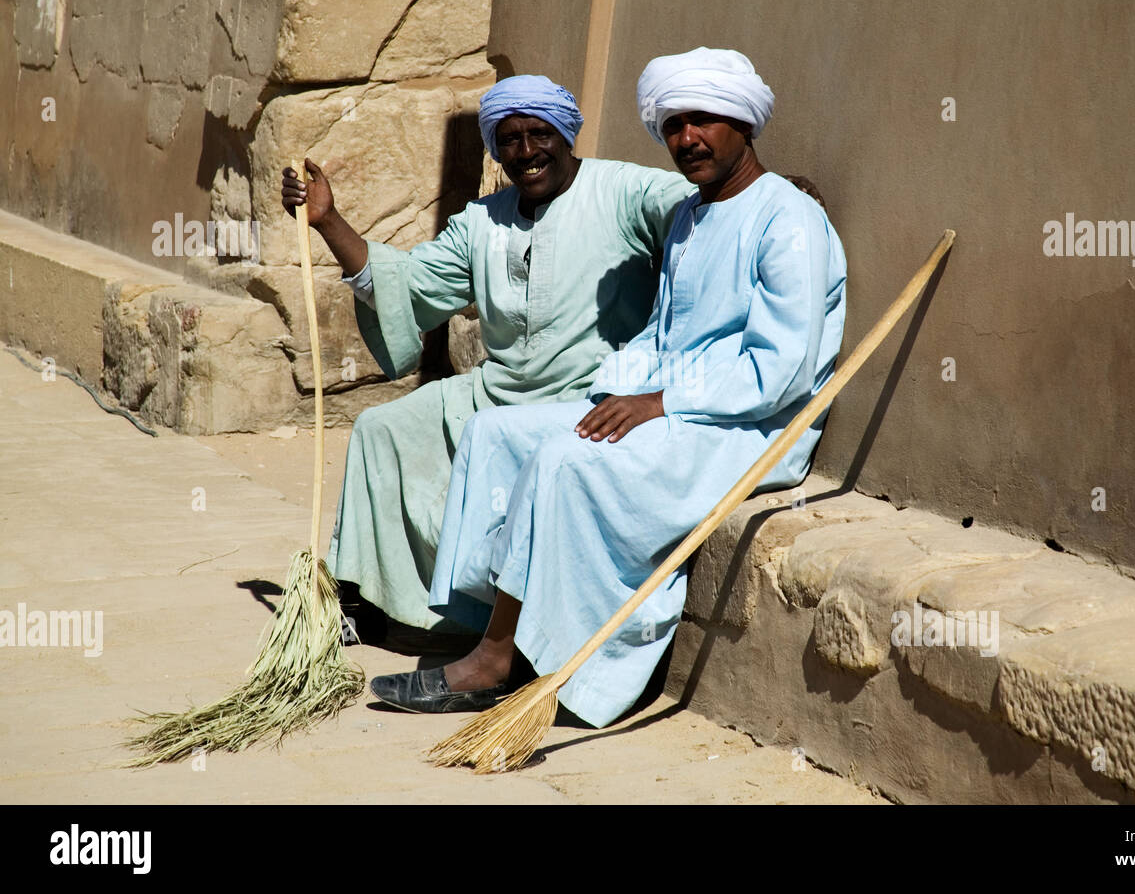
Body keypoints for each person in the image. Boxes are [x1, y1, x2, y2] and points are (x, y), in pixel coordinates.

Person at [369, 47, 848, 722]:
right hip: (677, 407)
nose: (687, 138)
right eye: (673, 124)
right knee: (496, 432)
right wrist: (612, 394)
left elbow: (781, 370)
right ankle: (496, 628)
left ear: (744, 123)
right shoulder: (693, 217)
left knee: (564, 460)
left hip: (745, 426)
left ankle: (498, 661)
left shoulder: (787, 218)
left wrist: (660, 402)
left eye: (704, 120)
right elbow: (661, 333)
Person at [281, 75, 692, 640]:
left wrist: (771, 197)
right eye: (509, 139)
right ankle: (364, 599)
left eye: (539, 134)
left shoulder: (624, 190)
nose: (526, 151)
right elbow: (409, 282)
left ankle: (486, 622)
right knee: (381, 427)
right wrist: (328, 220)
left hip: (588, 398)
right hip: (496, 391)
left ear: (565, 134)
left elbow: (702, 208)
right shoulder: (482, 220)